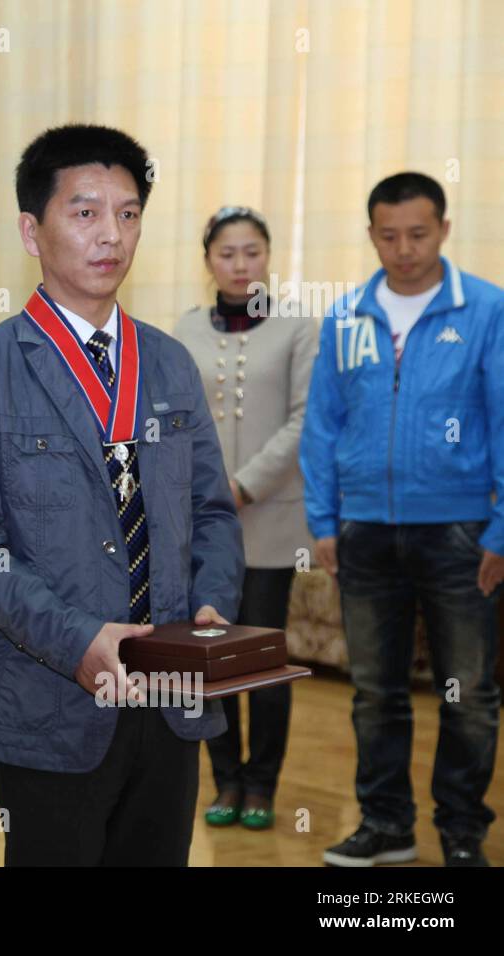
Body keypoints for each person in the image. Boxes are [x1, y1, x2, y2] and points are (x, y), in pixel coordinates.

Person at [0, 124, 244, 866]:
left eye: (128, 213)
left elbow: (212, 512)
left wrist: (210, 606)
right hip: (49, 705)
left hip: (171, 701)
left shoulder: (168, 364)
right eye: (85, 213)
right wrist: (79, 641)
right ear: (31, 231)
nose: (111, 235)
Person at [301, 172, 504, 867]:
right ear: (371, 236)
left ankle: (462, 831)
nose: (404, 249)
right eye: (388, 236)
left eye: (418, 234)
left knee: (468, 693)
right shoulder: (347, 317)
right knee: (374, 692)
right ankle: (386, 824)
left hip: (460, 534)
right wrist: (324, 520)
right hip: (364, 531)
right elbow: (322, 424)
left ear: (444, 230)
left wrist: (501, 530)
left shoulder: (485, 310)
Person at [174, 207, 317, 831]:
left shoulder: (298, 326)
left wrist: (245, 484)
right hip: (200, 527)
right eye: (227, 253)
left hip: (271, 523)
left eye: (252, 252)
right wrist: (204, 492)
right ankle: (225, 777)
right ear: (208, 261)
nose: (240, 264)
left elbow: (305, 419)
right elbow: (173, 420)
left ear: (268, 256)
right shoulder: (182, 330)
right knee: (209, 656)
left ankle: (262, 783)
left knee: (263, 658)